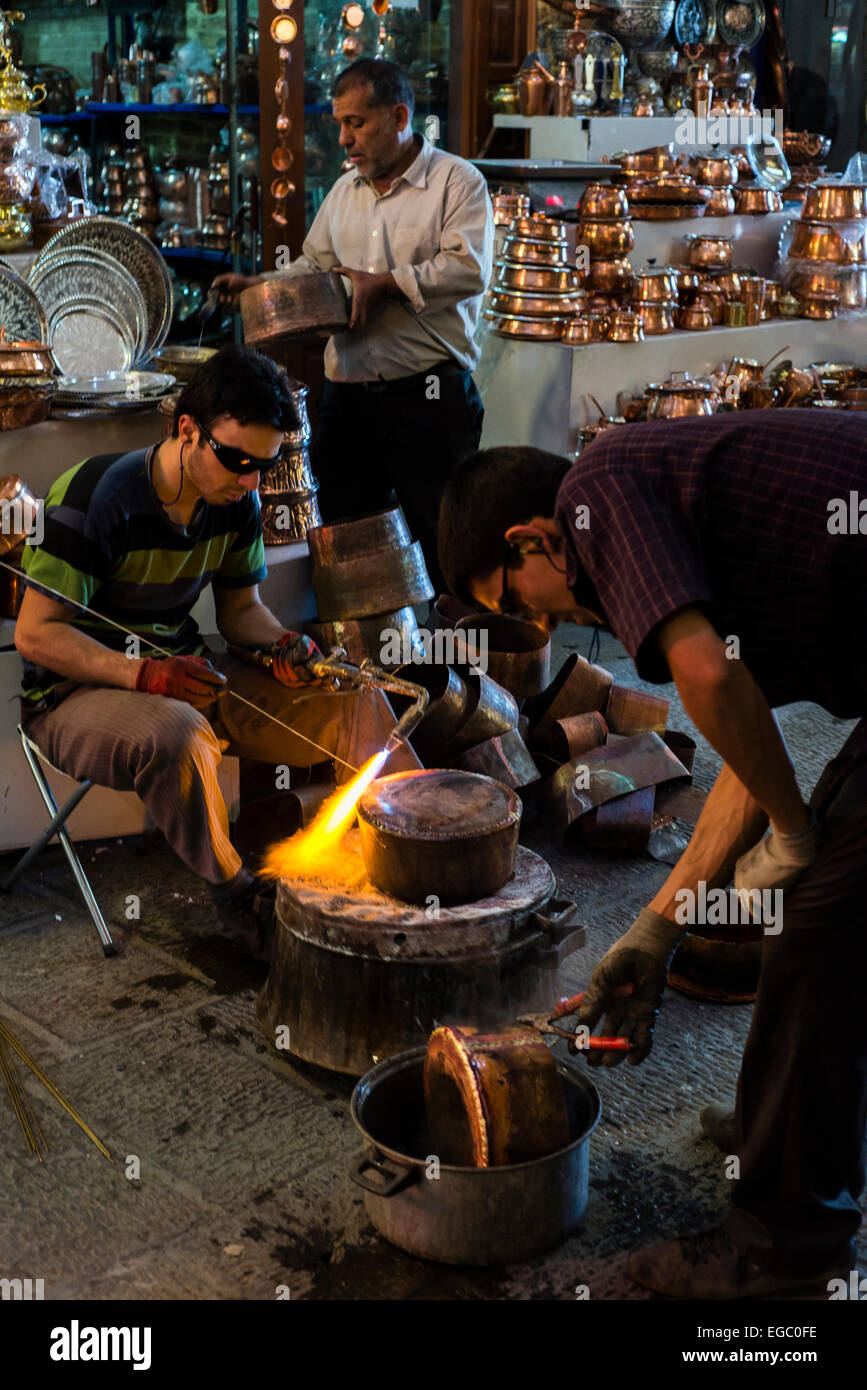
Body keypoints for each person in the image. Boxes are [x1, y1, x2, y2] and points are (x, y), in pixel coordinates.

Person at [437, 411, 867, 1299]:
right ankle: (781, 1139)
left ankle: (780, 1259)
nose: (540, 625)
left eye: (517, 602)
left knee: (821, 927)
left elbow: (707, 682)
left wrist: (791, 837)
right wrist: (652, 932)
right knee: (823, 905)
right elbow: (747, 752)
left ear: (534, 540)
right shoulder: (702, 528)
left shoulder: (598, 486)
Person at [14, 346, 419, 959]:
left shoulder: (237, 504)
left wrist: (284, 643)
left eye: (266, 463)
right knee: (178, 733)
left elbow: (239, 615)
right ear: (187, 431)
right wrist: (144, 674)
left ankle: (416, 844)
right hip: (73, 697)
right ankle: (241, 899)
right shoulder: (96, 496)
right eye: (235, 460)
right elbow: (36, 634)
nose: (250, 480)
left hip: (183, 674)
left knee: (350, 696)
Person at [213, 57, 493, 590]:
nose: (344, 139)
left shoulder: (457, 182)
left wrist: (383, 283)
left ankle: (455, 666)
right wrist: (259, 287)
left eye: (356, 123)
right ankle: (361, 665)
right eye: (339, 124)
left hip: (429, 399)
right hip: (348, 403)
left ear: (398, 116)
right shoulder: (345, 192)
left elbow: (468, 269)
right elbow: (313, 270)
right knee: (344, 544)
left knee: (443, 547)